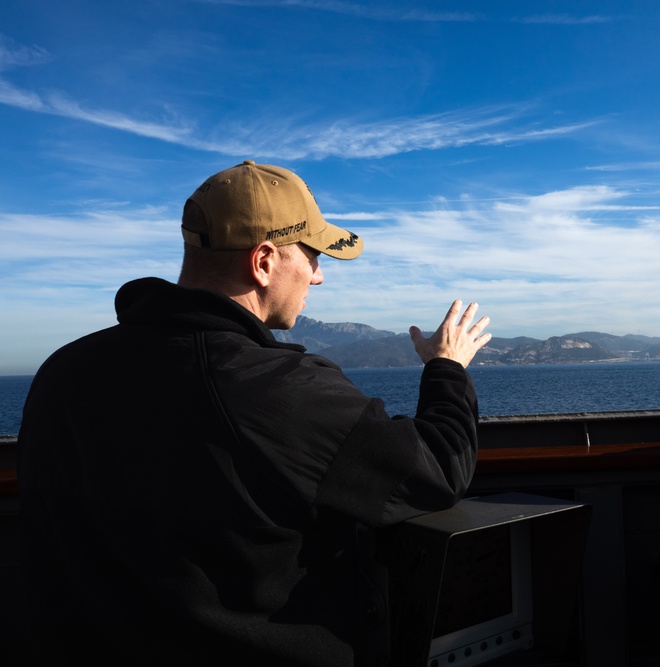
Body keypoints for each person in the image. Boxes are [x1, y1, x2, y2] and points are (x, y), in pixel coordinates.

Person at [17, 160, 492, 666]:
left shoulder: (63, 372)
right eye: (312, 255)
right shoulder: (279, 388)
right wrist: (446, 369)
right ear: (264, 261)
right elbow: (438, 468)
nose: (319, 274)